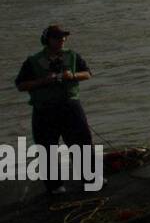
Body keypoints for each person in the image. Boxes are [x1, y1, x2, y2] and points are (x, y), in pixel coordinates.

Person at [13, 24, 94, 194]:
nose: (62, 40)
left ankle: (90, 178)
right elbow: (20, 85)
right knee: (46, 147)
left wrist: (72, 76)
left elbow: (87, 73)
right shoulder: (33, 61)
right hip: (44, 110)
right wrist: (43, 81)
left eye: (64, 37)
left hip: (70, 106)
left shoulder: (72, 56)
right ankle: (55, 186)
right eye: (57, 37)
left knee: (81, 143)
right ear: (47, 40)